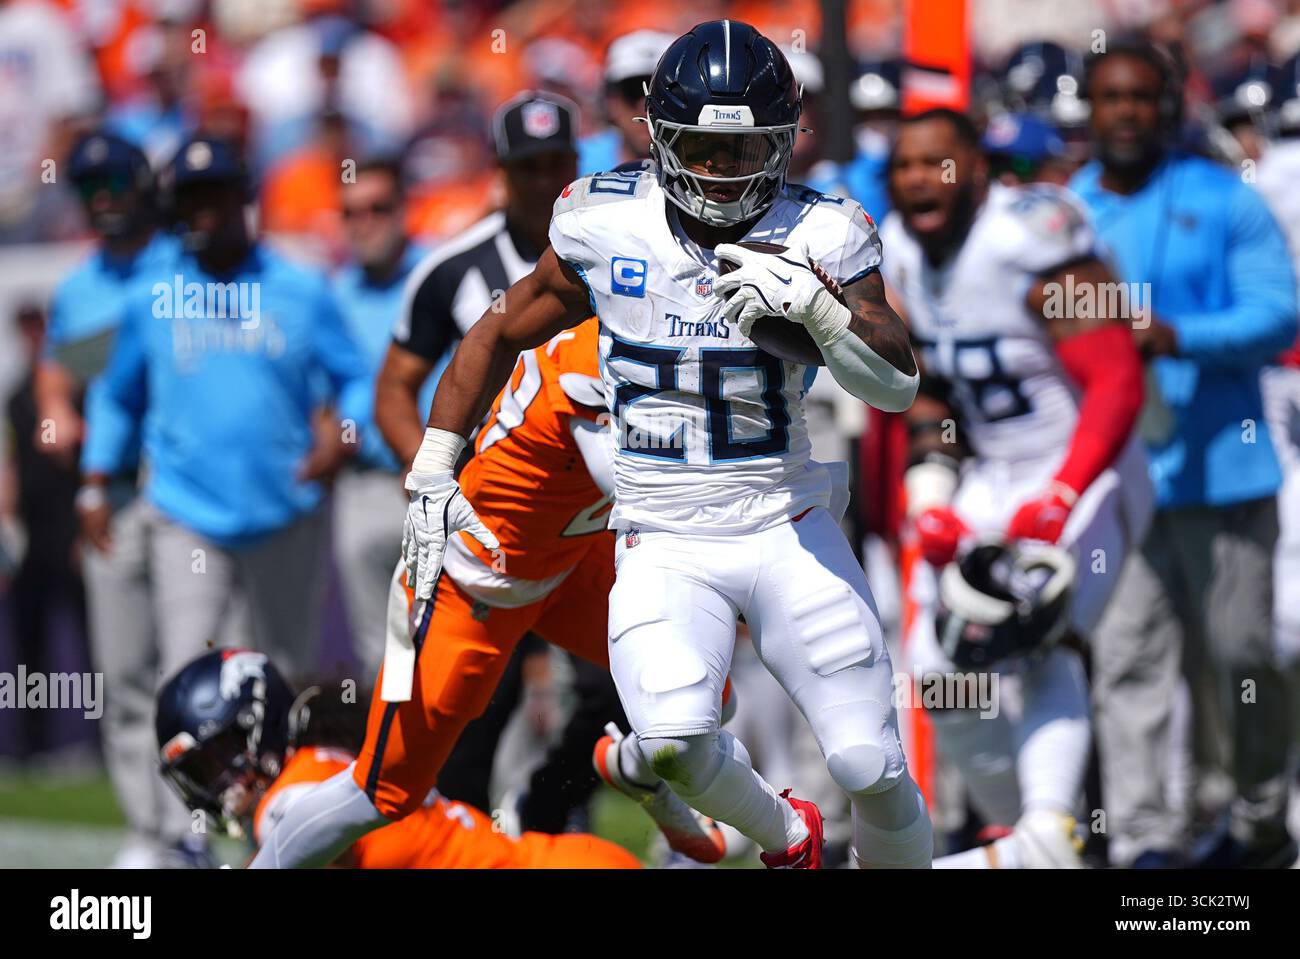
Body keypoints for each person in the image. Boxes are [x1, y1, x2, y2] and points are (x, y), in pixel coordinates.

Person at [387, 20, 928, 870]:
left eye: (744, 148)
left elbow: (895, 384)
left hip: (787, 519)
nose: (720, 172)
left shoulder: (822, 228)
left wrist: (822, 312)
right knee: (674, 738)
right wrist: (434, 462)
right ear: (659, 139)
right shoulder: (607, 222)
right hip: (662, 534)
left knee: (870, 762)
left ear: (782, 141)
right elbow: (498, 330)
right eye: (700, 149)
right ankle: (788, 836)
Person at [251, 319, 725, 868]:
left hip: (565, 564)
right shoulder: (589, 358)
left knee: (709, 686)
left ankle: (639, 769)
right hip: (474, 589)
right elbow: (651, 499)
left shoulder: (663, 331)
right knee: (382, 792)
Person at [880, 108, 1152, 868]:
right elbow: (929, 391)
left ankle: (1053, 822)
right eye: (902, 165)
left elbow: (1120, 379)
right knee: (938, 668)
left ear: (975, 168)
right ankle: (1027, 836)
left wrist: (1063, 494)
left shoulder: (1033, 234)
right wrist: (930, 496)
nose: (914, 179)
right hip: (993, 474)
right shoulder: (899, 250)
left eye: (934, 163)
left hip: (1086, 465)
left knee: (1041, 643)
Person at [378, 91, 636, 832]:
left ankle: (548, 812)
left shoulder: (617, 246)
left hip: (596, 516)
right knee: (470, 705)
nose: (543, 178)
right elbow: (394, 384)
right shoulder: (456, 267)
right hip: (494, 518)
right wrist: (429, 475)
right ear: (500, 170)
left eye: (557, 163)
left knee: (626, 678)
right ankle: (455, 834)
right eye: (529, 165)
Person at [1071, 42, 1298, 868]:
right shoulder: (1066, 211)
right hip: (1122, 481)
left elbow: (1279, 315)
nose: (1124, 113)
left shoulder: (1223, 198)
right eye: (1108, 98)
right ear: (1088, 110)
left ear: (1168, 107)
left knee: (1241, 656)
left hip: (1224, 476)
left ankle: (1261, 818)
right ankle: (1144, 842)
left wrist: (1176, 337)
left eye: (1140, 98)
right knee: (1127, 662)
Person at [80, 135, 372, 689]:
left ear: (243, 197)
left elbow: (355, 378)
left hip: (286, 506)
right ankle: (189, 778)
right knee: (189, 676)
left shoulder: (302, 288)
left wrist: (344, 435)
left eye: (215, 194)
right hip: (185, 512)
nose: (204, 210)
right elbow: (118, 395)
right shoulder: (152, 296)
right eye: (191, 199)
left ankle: (285, 780)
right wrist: (95, 480)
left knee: (286, 677)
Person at [37, 132, 189, 868]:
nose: (102, 199)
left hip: (194, 495)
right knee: (124, 668)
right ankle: (151, 829)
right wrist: (57, 415)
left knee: (188, 664)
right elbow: (55, 379)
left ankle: (199, 817)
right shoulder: (80, 287)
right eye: (89, 186)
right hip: (116, 491)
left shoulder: (181, 266)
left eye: (113, 183)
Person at [155, 649, 641, 869]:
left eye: (220, 757)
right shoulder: (326, 763)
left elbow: (325, 855)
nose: (218, 782)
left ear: (259, 725)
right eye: (201, 772)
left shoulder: (289, 799)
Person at [329, 156, 430, 674]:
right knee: (381, 657)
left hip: (445, 477)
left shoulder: (441, 272)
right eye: (351, 213)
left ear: (404, 209)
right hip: (364, 486)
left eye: (377, 208)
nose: (364, 222)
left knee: (462, 644)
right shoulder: (330, 295)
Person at [577, 30, 675, 175]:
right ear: (611, 101)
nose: (645, 107)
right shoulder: (576, 163)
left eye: (661, 92)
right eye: (632, 91)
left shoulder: (705, 163)